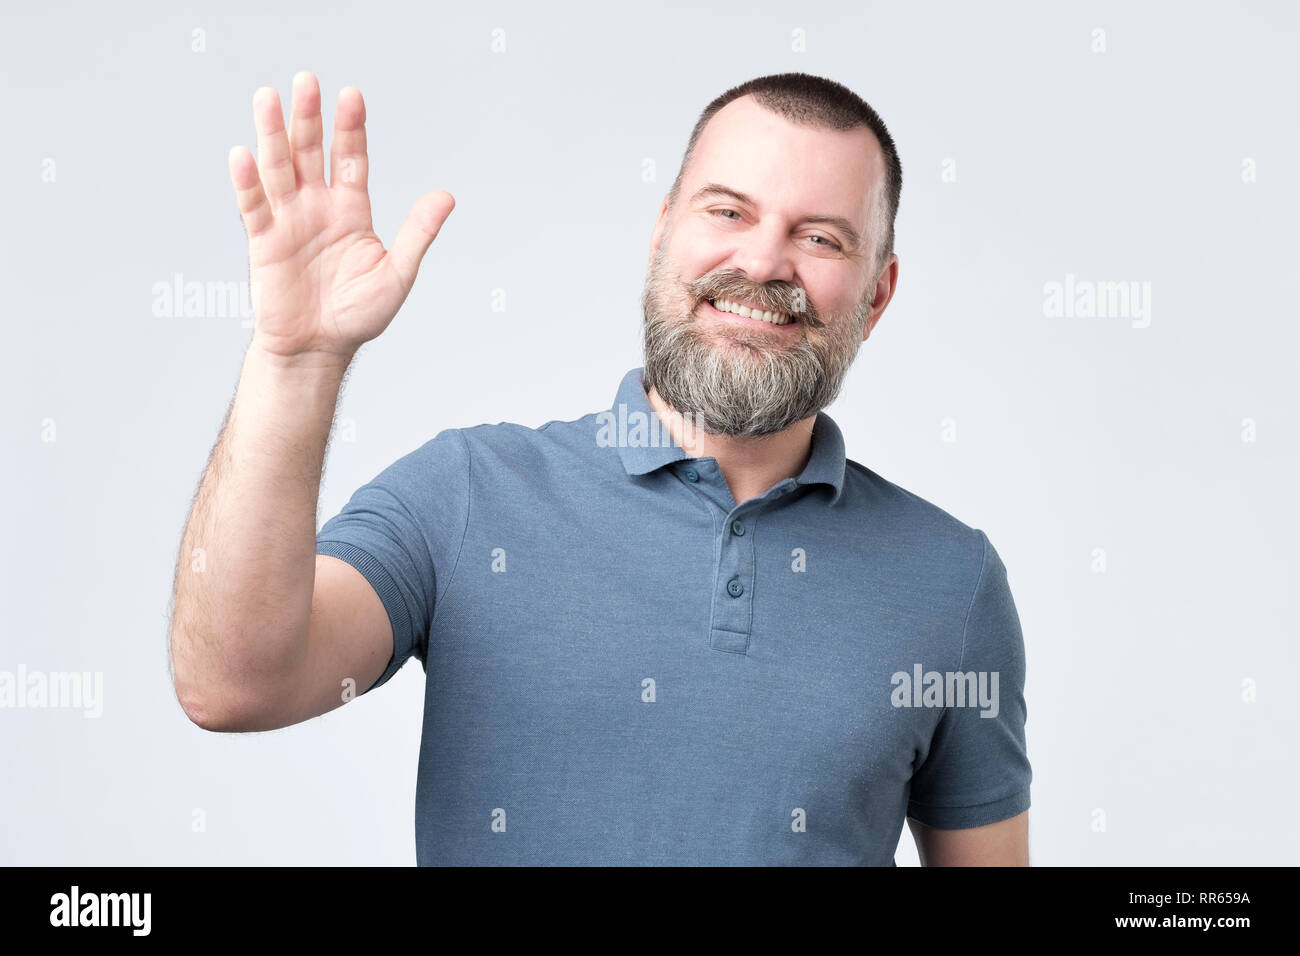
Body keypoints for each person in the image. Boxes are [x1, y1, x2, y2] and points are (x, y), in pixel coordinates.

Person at [169, 70, 1031, 866]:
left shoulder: (952, 583)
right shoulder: (469, 492)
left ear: (876, 295)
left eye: (819, 236)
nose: (764, 263)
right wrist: (297, 360)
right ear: (663, 231)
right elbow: (233, 685)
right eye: (727, 212)